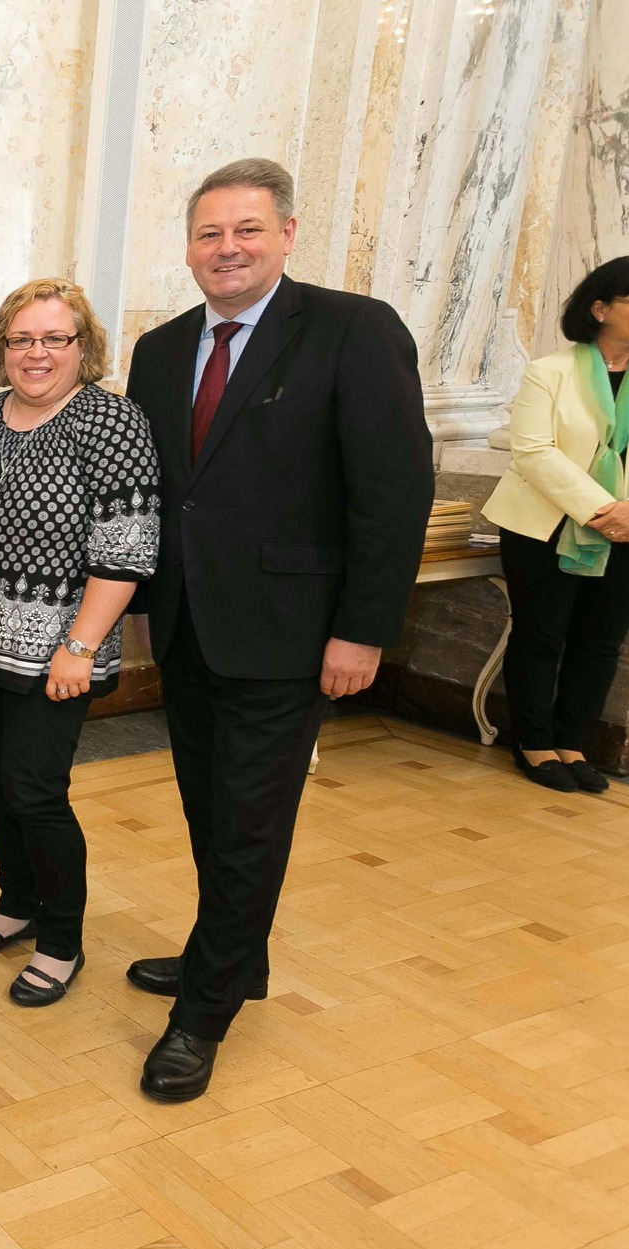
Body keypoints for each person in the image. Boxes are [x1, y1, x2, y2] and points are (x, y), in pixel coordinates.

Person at [122, 158, 432, 1101]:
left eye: (247, 231)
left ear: (288, 234)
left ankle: (203, 1014)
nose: (228, 249)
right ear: (188, 247)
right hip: (188, 627)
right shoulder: (165, 347)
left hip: (292, 631)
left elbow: (393, 490)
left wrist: (364, 630)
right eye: (210, 234)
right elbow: (162, 493)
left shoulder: (353, 330)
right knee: (210, 810)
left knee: (253, 822)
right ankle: (234, 955)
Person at [0, 279, 158, 1007]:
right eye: (20, 338)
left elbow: (127, 550)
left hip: (59, 652)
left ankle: (62, 938)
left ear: (82, 347)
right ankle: (17, 900)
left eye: (54, 338)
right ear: (1, 347)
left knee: (36, 790)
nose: (36, 353)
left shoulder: (111, 423)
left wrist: (82, 647)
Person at [484, 256, 629, 793]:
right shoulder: (548, 371)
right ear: (599, 308)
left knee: (601, 643)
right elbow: (533, 452)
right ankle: (533, 742)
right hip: (545, 524)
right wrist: (605, 510)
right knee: (541, 636)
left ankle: (572, 742)